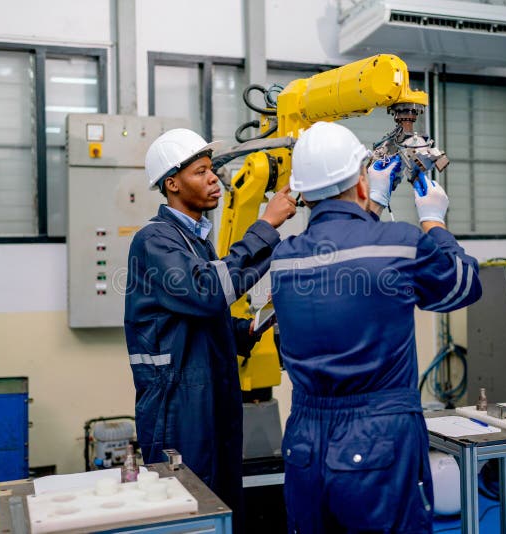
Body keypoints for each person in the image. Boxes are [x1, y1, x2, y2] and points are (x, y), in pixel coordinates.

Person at [270, 121, 482, 533]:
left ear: (302, 192)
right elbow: (463, 285)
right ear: (361, 182)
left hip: (304, 445)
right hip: (380, 442)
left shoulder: (284, 260)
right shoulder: (401, 243)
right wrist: (434, 222)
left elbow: (346, 254)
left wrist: (372, 204)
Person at [124, 128, 295, 531]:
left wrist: (246, 327)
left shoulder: (195, 240)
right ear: (172, 184)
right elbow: (205, 293)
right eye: (201, 172)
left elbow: (201, 312)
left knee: (221, 507)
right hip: (177, 404)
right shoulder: (156, 240)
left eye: (211, 171)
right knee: (189, 510)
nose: (213, 178)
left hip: (211, 397)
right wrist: (265, 225)